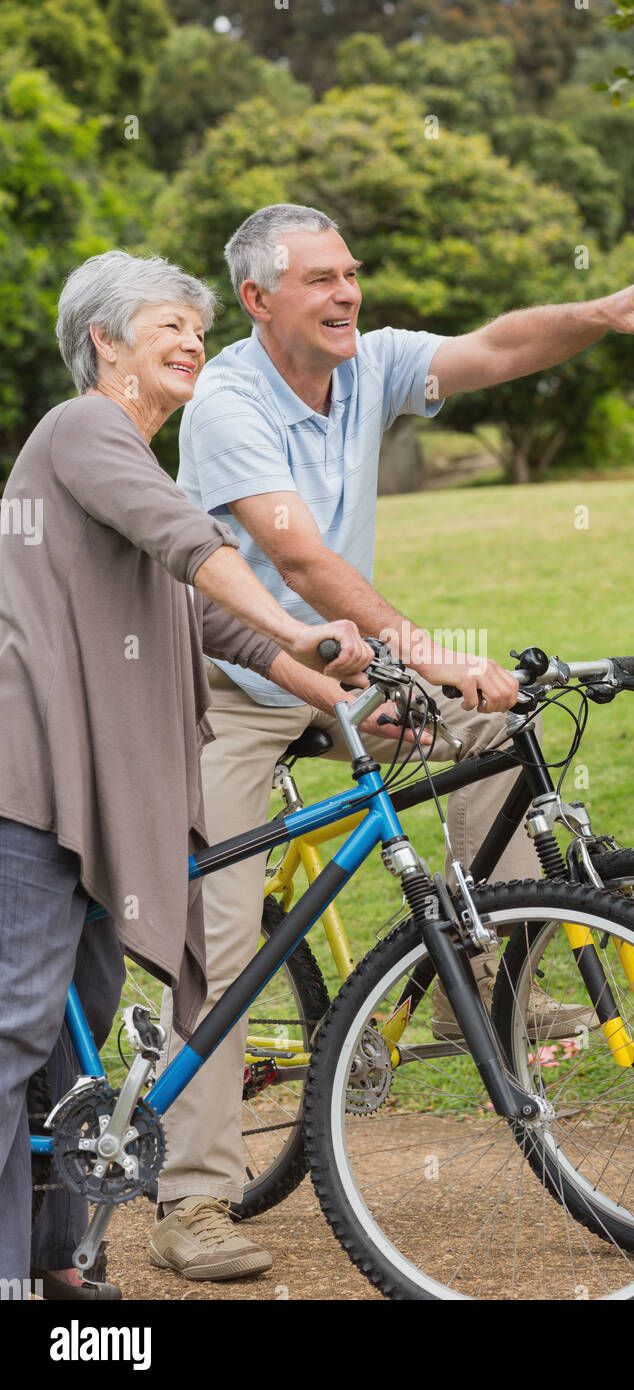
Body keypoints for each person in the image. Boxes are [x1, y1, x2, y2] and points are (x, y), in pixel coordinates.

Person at [150, 204, 634, 1282]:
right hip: (231, 681)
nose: (346, 294)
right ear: (259, 301)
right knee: (217, 942)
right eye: (318, 280)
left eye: (350, 273)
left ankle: (476, 976)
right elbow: (295, 563)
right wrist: (421, 651)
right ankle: (192, 1201)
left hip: (341, 665)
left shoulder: (371, 364)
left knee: (495, 716)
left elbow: (494, 347)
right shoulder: (224, 402)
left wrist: (596, 311)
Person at [0, 249, 371, 1299]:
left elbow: (198, 612)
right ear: (104, 343)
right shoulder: (84, 428)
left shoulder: (130, 459)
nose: (191, 340)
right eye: (166, 324)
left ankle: (55, 1257)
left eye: (197, 328)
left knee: (71, 1056)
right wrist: (299, 621)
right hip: (34, 784)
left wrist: (328, 682)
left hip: (100, 797)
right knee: (13, 1032)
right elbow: (191, 550)